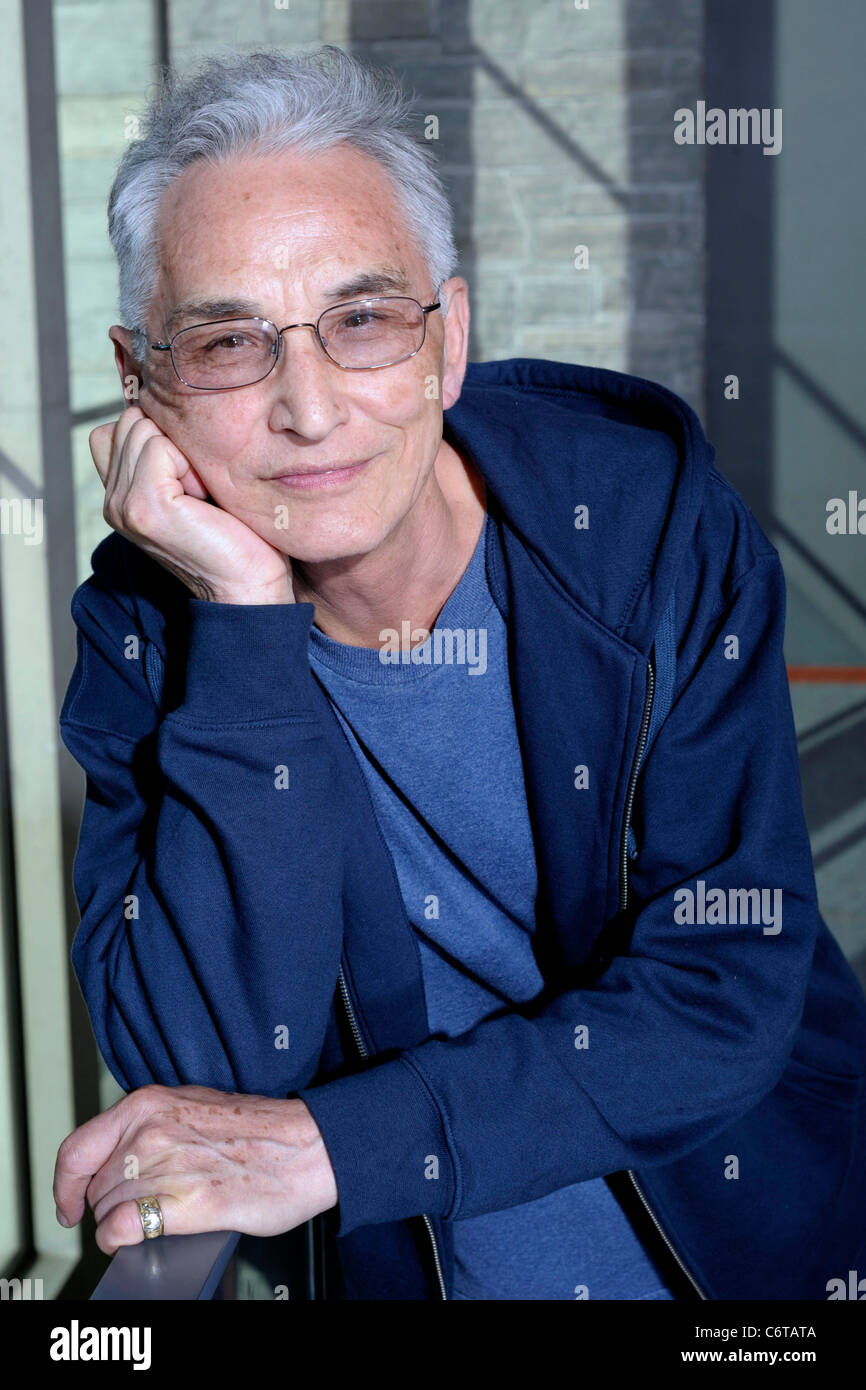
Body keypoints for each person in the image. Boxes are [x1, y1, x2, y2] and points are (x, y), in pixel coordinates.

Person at [54, 45, 866, 1301]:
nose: (310, 411)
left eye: (363, 321)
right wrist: (243, 620)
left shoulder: (640, 526)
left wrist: (336, 1142)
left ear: (450, 339)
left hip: (741, 1248)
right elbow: (199, 1062)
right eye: (227, 344)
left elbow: (724, 980)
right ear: (141, 382)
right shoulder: (148, 636)